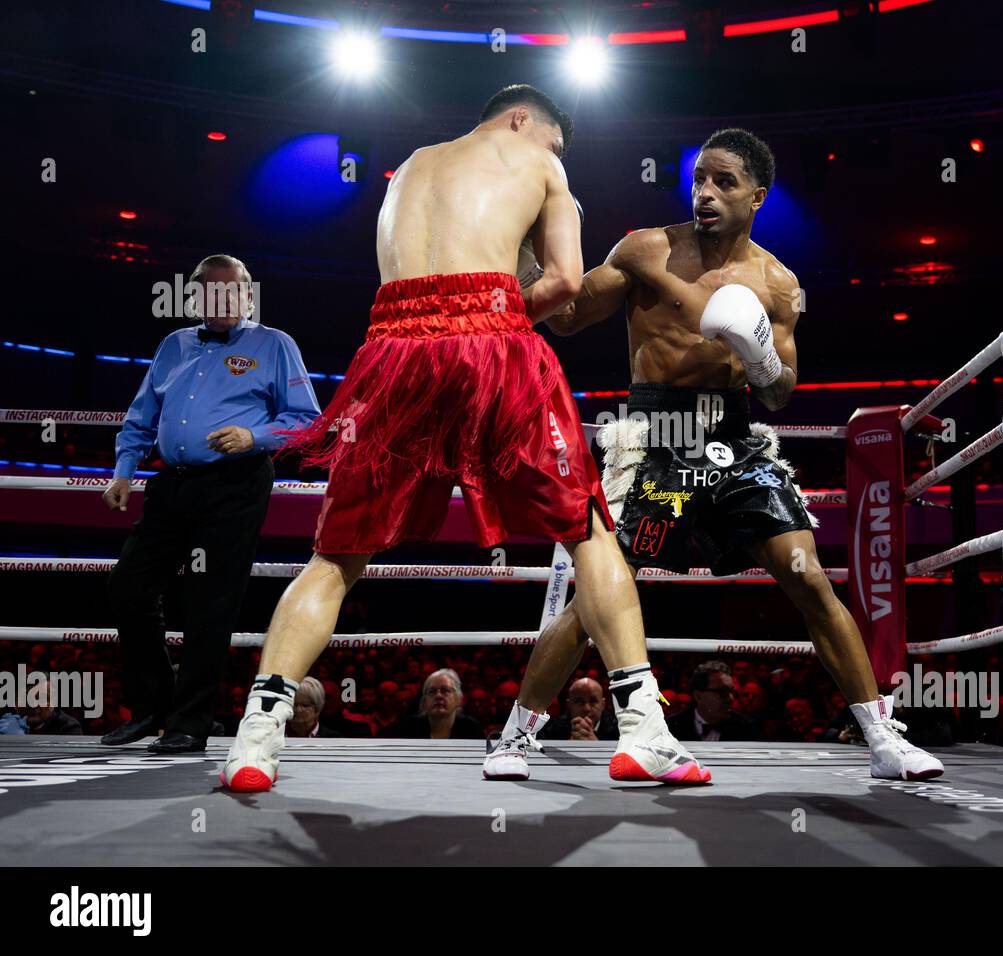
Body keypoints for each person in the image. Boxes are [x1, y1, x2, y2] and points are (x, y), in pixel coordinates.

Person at [221, 84, 708, 792]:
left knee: (335, 558)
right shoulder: (538, 162)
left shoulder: (410, 168)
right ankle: (644, 734)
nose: (553, 155)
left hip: (392, 352)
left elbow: (411, 279)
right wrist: (504, 308)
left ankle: (254, 741)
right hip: (492, 343)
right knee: (589, 531)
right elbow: (567, 280)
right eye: (554, 140)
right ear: (520, 120)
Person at [493, 128, 942, 780]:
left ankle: (880, 736)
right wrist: (525, 247)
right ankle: (515, 737)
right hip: (655, 436)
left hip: (734, 439)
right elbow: (564, 317)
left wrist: (759, 353)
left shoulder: (778, 283)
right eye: (700, 178)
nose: (705, 192)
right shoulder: (647, 248)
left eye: (724, 182)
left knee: (809, 578)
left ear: (757, 195)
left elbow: (782, 391)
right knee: (597, 597)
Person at [101, 254, 319, 753]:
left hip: (235, 486)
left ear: (247, 296)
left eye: (232, 290)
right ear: (195, 296)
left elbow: (307, 420)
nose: (222, 299)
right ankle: (155, 708)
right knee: (128, 587)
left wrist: (254, 435)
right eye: (210, 291)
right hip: (172, 483)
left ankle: (189, 724)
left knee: (210, 602)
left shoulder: (275, 344)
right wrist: (123, 471)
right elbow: (141, 416)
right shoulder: (173, 345)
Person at [666, 661, 757, 741]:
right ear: (699, 696)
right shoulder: (670, 727)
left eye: (731, 691)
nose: (730, 698)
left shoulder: (746, 727)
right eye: (722, 692)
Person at [381, 670, 484, 740]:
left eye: (445, 690)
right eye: (432, 691)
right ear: (424, 701)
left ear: (458, 699)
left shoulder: (472, 729)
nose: (438, 695)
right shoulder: (408, 728)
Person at [539, 677, 619, 741]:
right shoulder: (550, 730)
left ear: (602, 705)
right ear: (568, 705)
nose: (587, 709)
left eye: (593, 701)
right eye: (579, 701)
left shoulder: (620, 731)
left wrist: (596, 746)